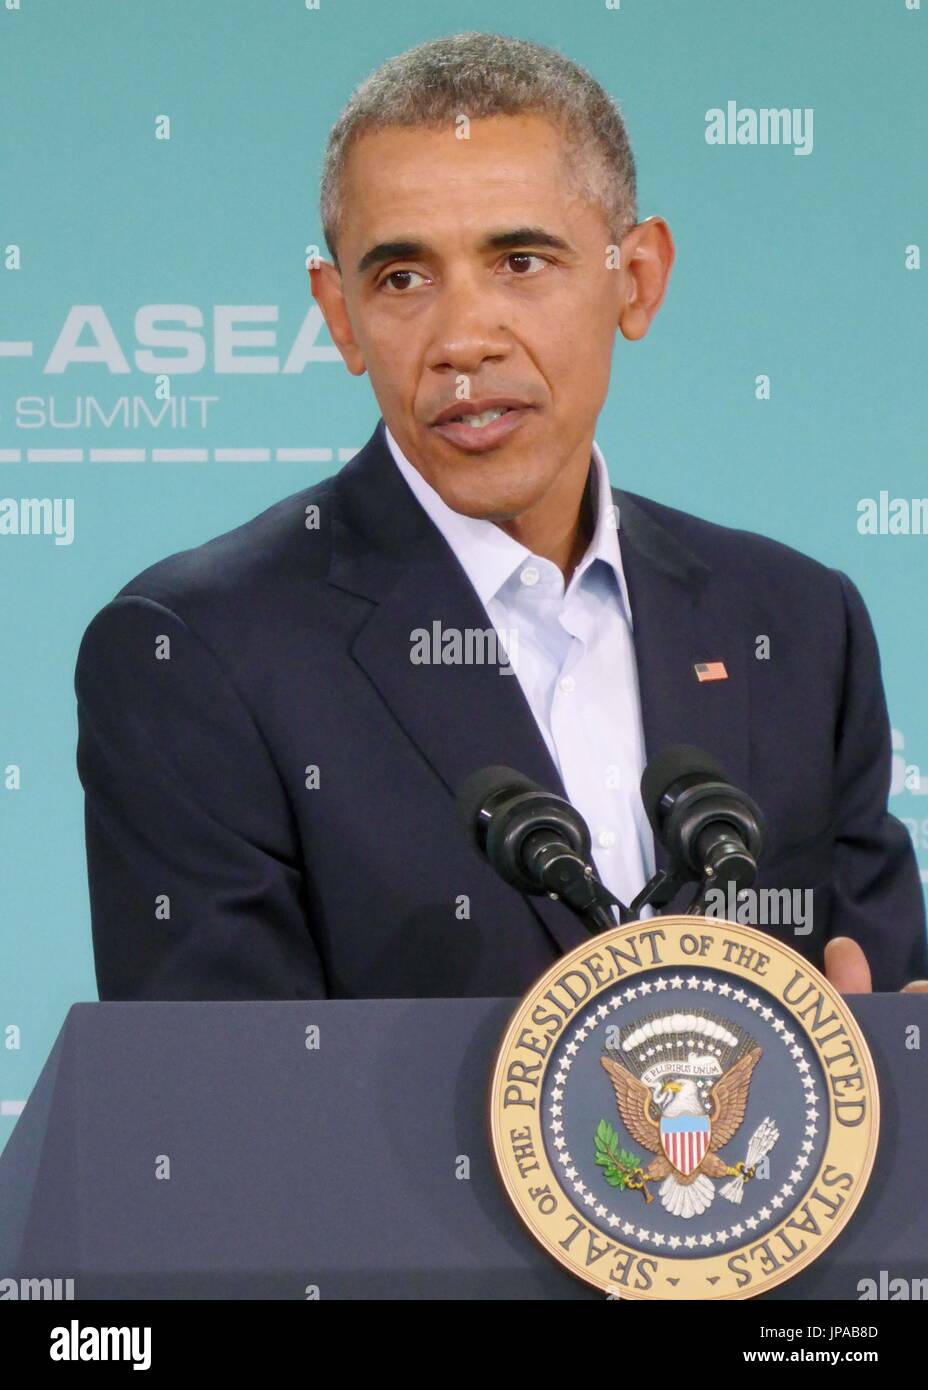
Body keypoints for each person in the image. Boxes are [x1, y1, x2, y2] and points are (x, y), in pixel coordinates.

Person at [75, 32, 928, 999]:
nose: (463, 340)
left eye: (521, 261)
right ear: (340, 314)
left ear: (637, 277)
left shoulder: (797, 622)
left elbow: (882, 1022)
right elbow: (219, 1107)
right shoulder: (197, 654)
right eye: (402, 278)